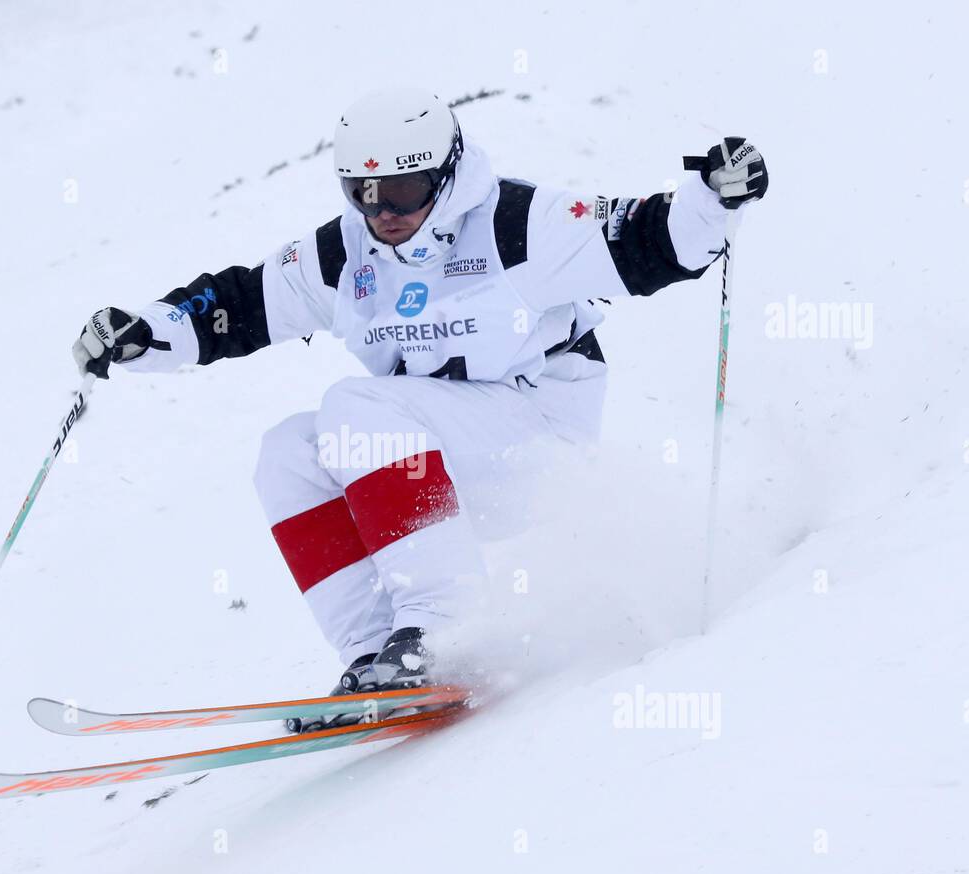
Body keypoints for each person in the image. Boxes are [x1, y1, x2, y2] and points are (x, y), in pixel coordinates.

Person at [72, 88, 767, 720]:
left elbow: (648, 240)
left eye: (402, 190)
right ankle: (377, 657)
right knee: (287, 452)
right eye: (363, 191)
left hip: (542, 448)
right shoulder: (345, 255)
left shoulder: (518, 224)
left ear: (447, 172)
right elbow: (243, 302)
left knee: (356, 405)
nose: (383, 212)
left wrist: (712, 196)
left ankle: (439, 633)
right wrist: (146, 333)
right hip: (426, 476)